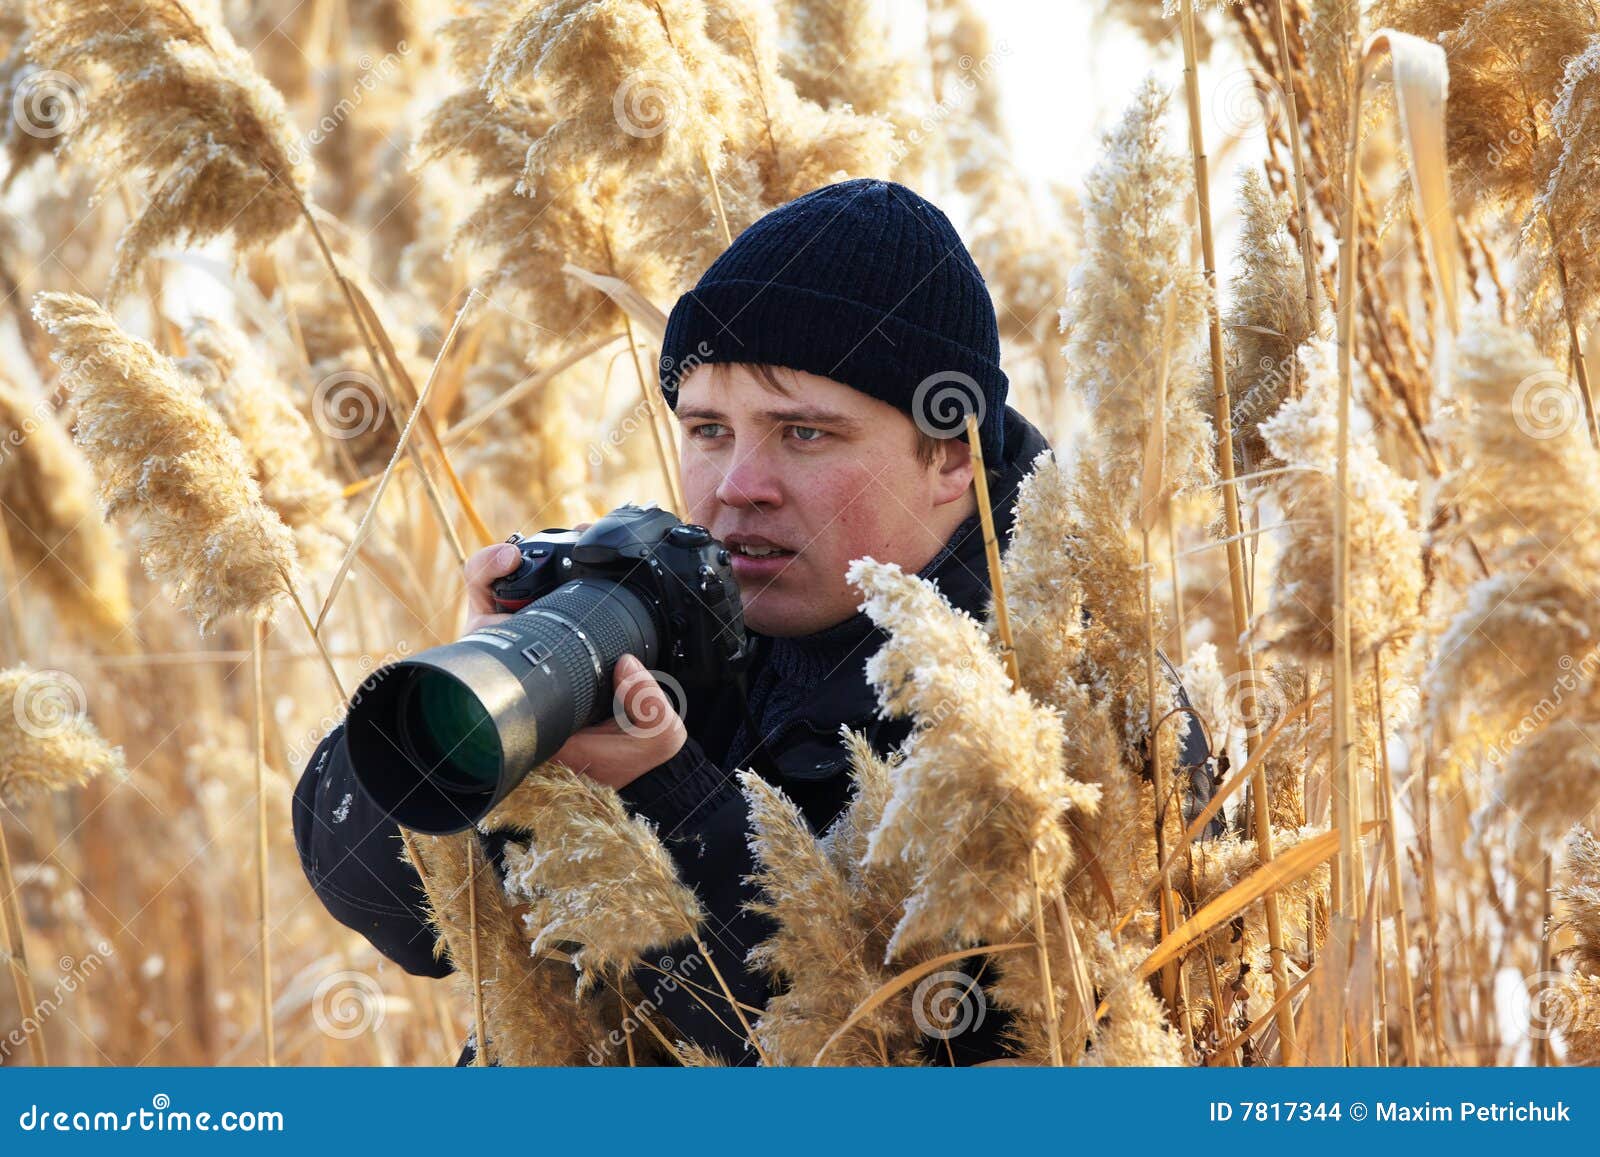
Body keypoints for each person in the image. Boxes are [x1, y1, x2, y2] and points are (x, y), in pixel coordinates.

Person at [292, 178, 1214, 1065]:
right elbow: (401, 915)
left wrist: (672, 804)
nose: (737, 487)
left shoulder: (1067, 704)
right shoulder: (670, 617)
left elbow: (884, 1069)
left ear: (949, 454)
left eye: (804, 433)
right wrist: (491, 686)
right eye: (708, 430)